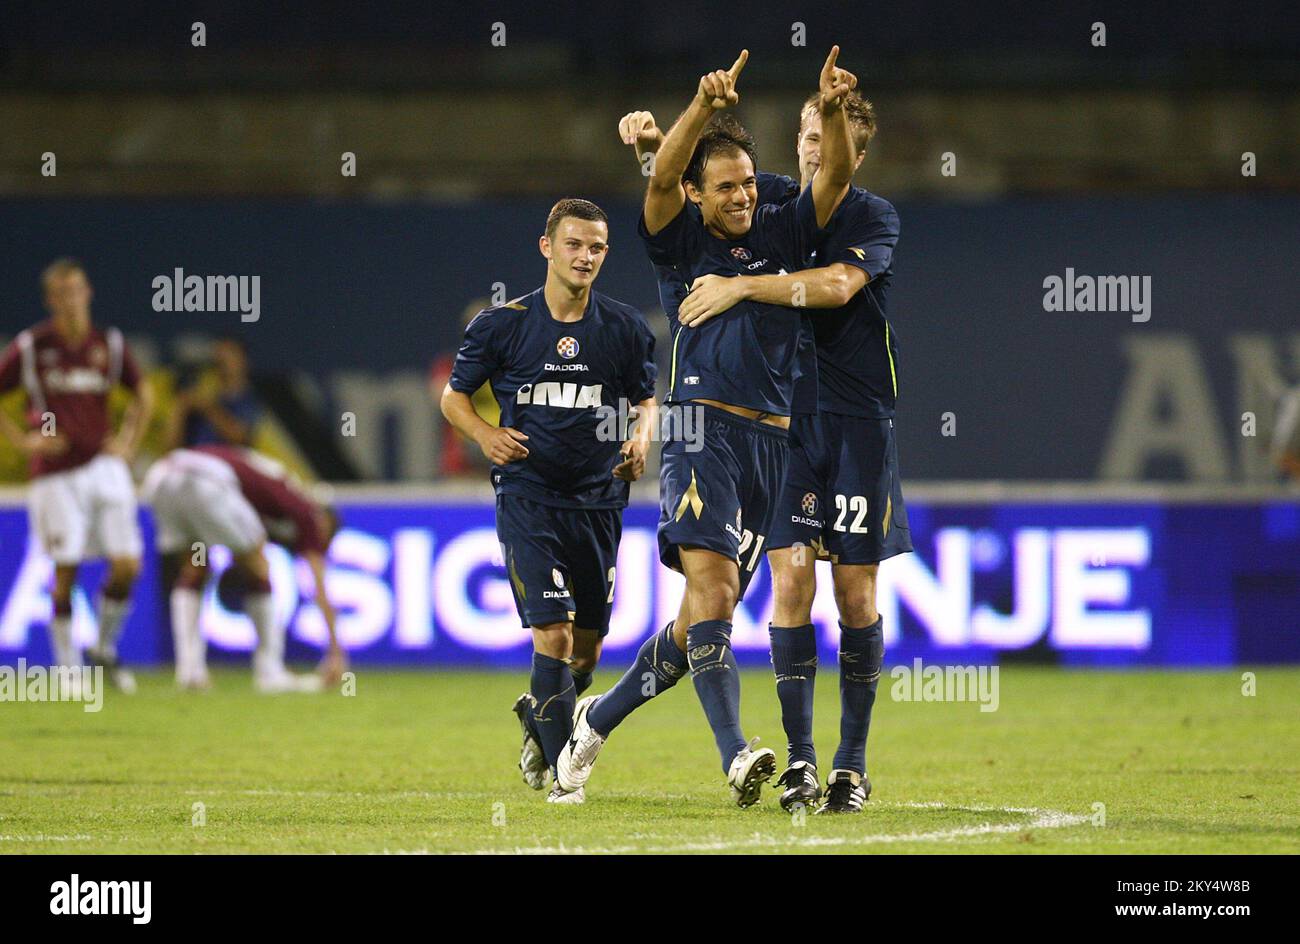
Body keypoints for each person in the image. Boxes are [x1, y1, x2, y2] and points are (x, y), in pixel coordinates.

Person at [558, 48, 858, 808]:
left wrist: (828, 112)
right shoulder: (680, 240)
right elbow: (659, 178)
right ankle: (736, 756)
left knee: (699, 622)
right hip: (700, 429)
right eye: (724, 187)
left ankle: (595, 719)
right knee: (716, 592)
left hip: (771, 442)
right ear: (695, 193)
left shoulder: (782, 229)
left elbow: (838, 179)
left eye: (748, 183)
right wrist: (697, 103)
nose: (742, 197)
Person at [439, 198, 657, 804]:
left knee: (586, 647)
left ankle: (542, 713)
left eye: (596, 248)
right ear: (547, 248)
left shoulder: (624, 329)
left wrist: (640, 439)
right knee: (553, 634)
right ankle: (566, 777)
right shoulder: (502, 324)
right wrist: (485, 435)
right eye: (573, 245)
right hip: (529, 496)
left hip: (599, 501)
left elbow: (645, 400)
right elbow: (455, 398)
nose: (585, 256)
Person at [0, 258, 154, 693]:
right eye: (62, 293)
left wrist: (129, 441)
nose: (71, 299)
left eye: (77, 290)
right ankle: (69, 670)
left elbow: (142, 391)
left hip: (104, 466)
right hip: (55, 473)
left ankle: (103, 650)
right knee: (64, 570)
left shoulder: (110, 344)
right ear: (51, 299)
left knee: (127, 564)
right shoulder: (33, 346)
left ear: (88, 293)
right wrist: (22, 440)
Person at [142, 445, 346, 693]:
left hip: (163, 476)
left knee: (196, 567)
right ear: (325, 518)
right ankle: (270, 672)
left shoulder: (275, 482)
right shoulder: (306, 511)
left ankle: (190, 673)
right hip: (207, 484)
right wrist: (336, 650)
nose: (321, 541)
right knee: (258, 564)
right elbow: (319, 586)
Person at [170, 336, 262, 449]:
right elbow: (171, 446)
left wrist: (206, 407)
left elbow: (241, 437)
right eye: (220, 356)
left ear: (243, 360)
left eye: (230, 354)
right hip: (194, 461)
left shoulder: (250, 399)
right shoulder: (201, 394)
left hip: (227, 463)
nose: (224, 360)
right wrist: (181, 409)